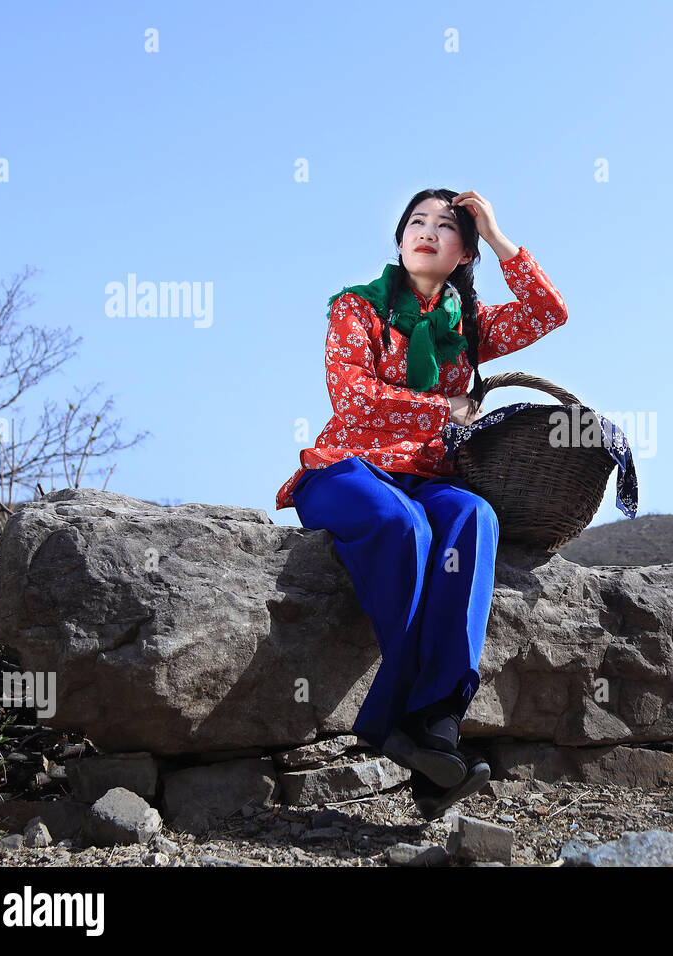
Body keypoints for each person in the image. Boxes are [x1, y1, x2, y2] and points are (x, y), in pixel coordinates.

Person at [274, 187, 569, 820]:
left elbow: (549, 312)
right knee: (399, 524)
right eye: (416, 221)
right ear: (400, 238)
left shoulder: (469, 325)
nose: (427, 232)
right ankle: (391, 721)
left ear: (463, 251)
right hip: (347, 472)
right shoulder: (358, 307)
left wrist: (495, 232)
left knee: (473, 516)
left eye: (446, 226)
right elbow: (353, 398)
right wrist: (445, 407)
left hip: (425, 475)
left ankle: (436, 722)